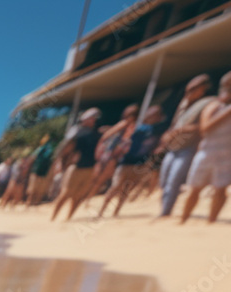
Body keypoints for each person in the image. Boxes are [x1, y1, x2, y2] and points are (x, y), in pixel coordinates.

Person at [158, 74, 213, 217]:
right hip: (172, 148)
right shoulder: (184, 103)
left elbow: (205, 126)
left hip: (188, 148)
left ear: (203, 89)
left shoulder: (208, 103)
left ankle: (165, 212)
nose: (189, 92)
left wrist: (182, 130)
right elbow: (175, 123)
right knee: (164, 181)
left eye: (193, 89)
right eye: (188, 89)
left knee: (174, 181)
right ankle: (163, 209)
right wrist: (168, 134)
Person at [181, 71, 231, 224]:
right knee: (195, 188)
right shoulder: (215, 105)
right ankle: (183, 221)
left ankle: (211, 222)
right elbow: (205, 127)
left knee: (220, 189)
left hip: (227, 155)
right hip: (207, 152)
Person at [98, 105, 165, 218]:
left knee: (126, 189)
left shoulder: (157, 130)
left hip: (140, 162)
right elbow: (112, 135)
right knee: (116, 186)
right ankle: (101, 212)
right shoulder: (137, 127)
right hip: (126, 161)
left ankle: (115, 212)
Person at [50, 108, 101, 221]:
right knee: (66, 193)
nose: (93, 120)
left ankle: (69, 217)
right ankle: (53, 218)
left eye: (94, 118)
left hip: (90, 167)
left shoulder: (95, 134)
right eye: (92, 118)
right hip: (76, 167)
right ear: (85, 119)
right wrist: (60, 163)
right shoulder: (76, 131)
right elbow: (66, 147)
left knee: (79, 195)